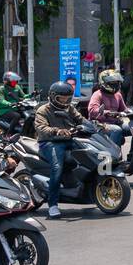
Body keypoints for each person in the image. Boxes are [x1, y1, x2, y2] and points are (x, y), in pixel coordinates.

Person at [34, 81, 86, 218]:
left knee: (88, 155)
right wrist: (57, 131)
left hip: (69, 140)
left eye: (67, 98)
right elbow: (41, 128)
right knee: (57, 168)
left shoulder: (69, 108)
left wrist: (94, 125)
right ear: (52, 96)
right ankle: (53, 205)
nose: (64, 101)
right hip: (49, 142)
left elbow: (81, 120)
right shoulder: (43, 110)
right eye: (61, 98)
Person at [87, 69, 128, 147]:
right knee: (116, 130)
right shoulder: (97, 94)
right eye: (113, 82)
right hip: (100, 125)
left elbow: (124, 110)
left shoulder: (118, 95)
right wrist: (107, 112)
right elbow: (92, 110)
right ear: (104, 82)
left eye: (117, 82)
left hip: (115, 123)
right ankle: (114, 156)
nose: (116, 84)